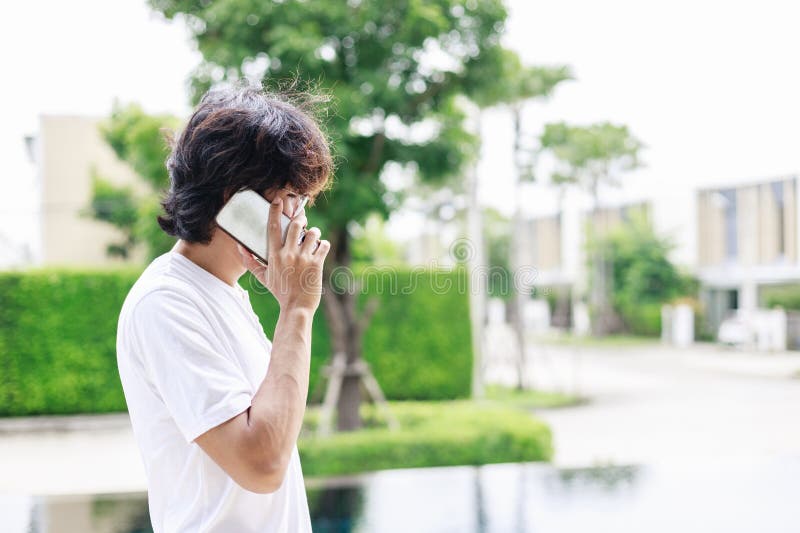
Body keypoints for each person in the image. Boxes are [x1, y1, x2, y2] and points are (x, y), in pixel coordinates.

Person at [116, 84, 333, 532]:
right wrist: (296, 311)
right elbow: (262, 464)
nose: (301, 219)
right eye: (290, 198)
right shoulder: (167, 302)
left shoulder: (223, 293)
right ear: (236, 200)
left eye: (303, 201)